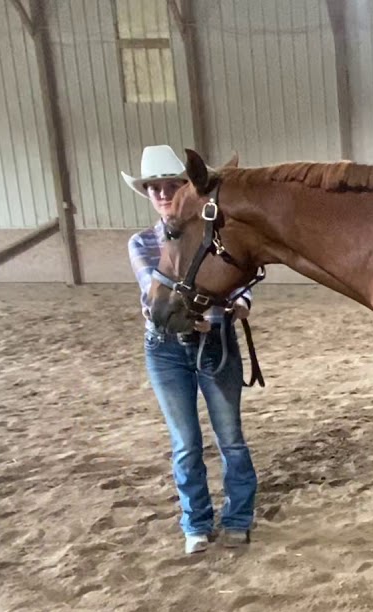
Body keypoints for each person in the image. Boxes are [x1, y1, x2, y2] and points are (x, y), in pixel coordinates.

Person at [121, 145, 259, 554]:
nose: (164, 194)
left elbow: (238, 273)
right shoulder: (143, 242)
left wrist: (241, 303)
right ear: (147, 193)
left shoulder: (210, 230)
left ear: (186, 188)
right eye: (155, 188)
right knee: (185, 441)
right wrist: (205, 309)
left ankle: (238, 519)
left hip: (214, 340)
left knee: (230, 436)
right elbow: (157, 298)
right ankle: (195, 524)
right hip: (165, 349)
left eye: (171, 185)